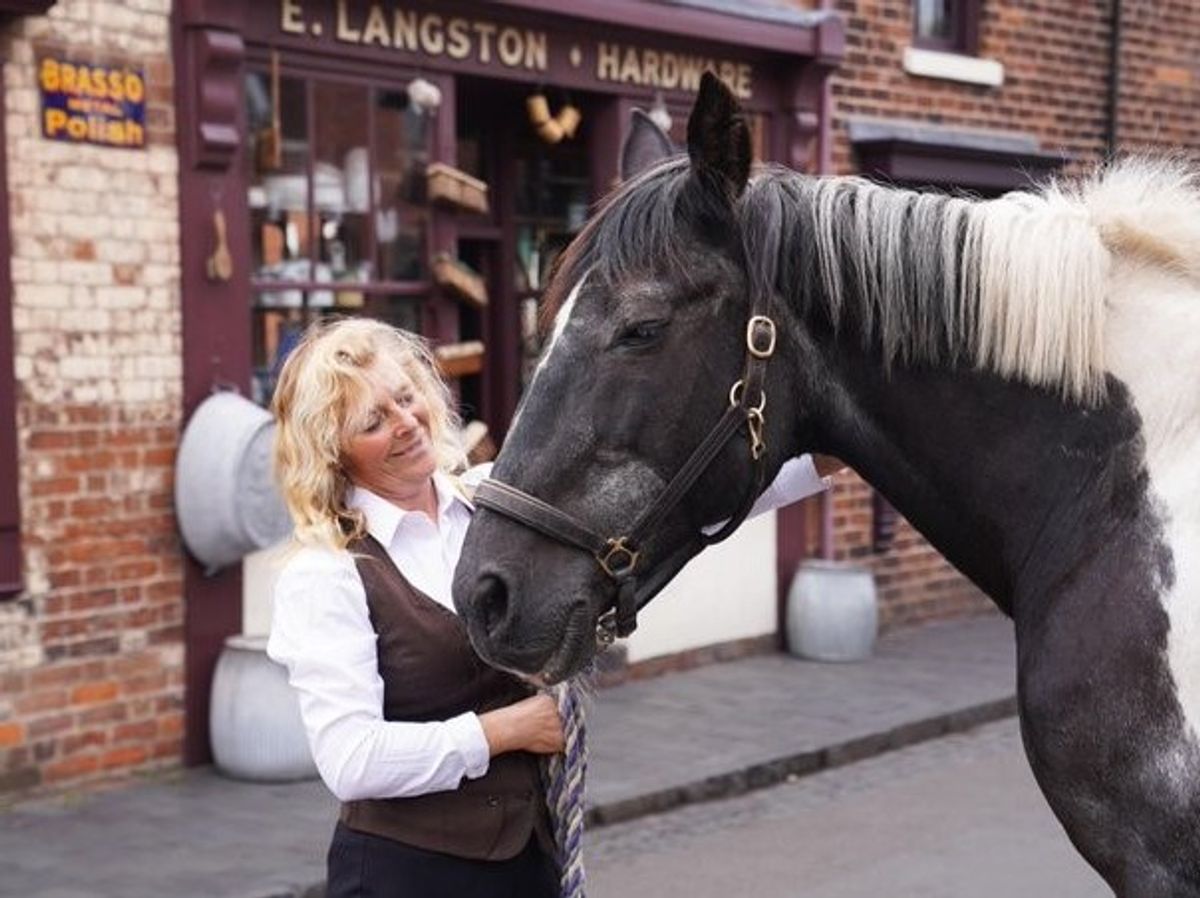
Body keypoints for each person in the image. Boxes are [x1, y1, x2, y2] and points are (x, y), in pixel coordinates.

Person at [266, 317, 836, 898]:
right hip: (405, 875)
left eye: (406, 397)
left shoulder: (498, 505)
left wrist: (821, 463)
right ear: (333, 454)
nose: (405, 423)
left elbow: (674, 512)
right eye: (373, 421)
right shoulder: (329, 573)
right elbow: (351, 760)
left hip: (528, 859)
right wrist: (501, 731)